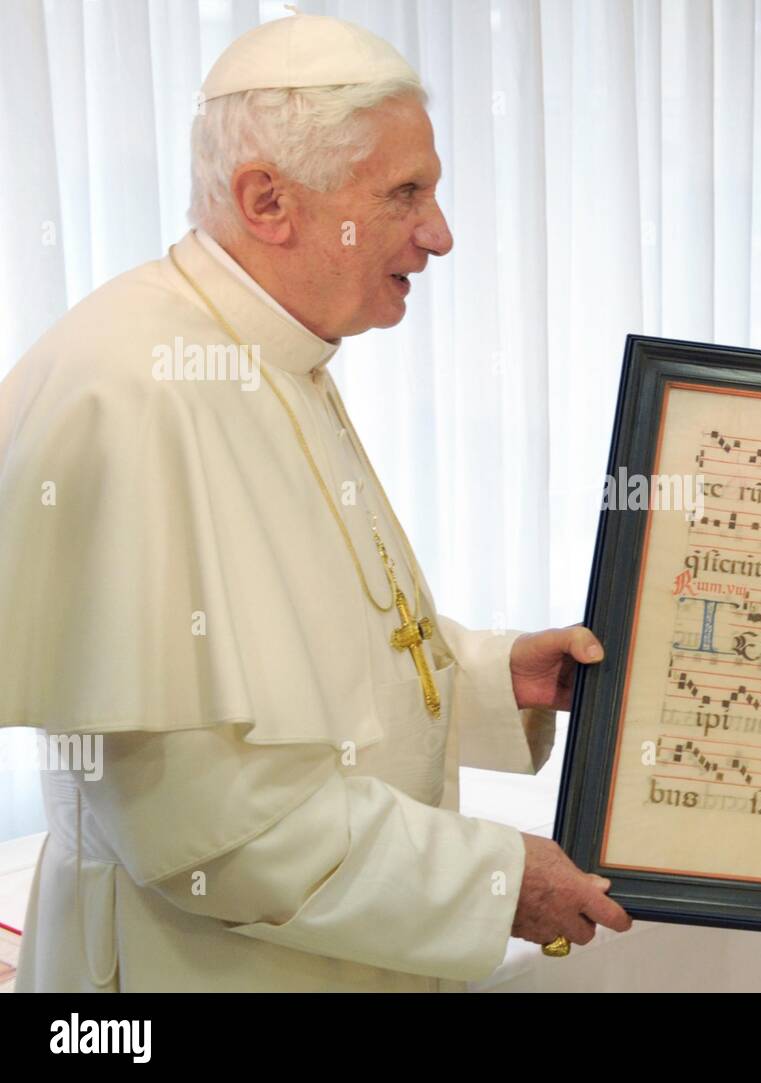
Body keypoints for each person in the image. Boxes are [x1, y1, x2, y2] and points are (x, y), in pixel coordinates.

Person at [0, 12, 630, 992]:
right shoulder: (138, 388)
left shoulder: (271, 354)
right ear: (269, 201)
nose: (440, 233)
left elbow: (329, 662)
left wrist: (491, 676)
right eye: (404, 194)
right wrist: (494, 881)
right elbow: (212, 828)